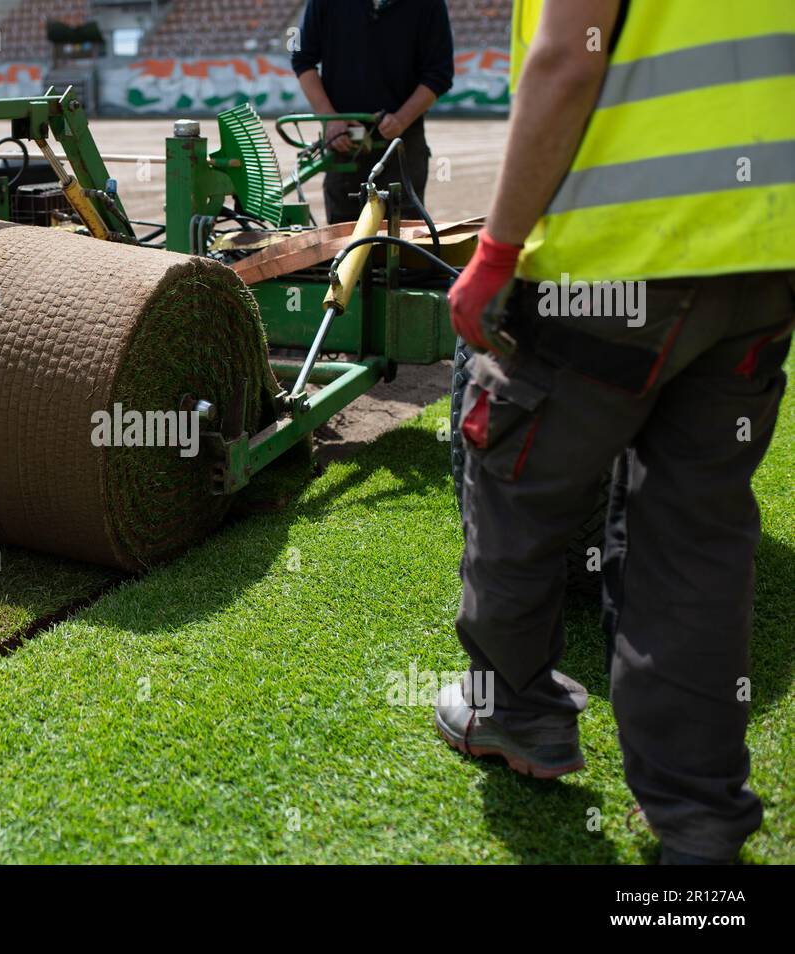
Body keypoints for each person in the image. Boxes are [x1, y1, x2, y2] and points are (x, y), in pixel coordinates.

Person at [440, 0, 794, 864]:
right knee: (698, 533)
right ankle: (700, 818)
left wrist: (495, 253)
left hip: (616, 263)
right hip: (760, 261)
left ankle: (514, 709)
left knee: (516, 481)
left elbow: (566, 58)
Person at [291, 0, 454, 223]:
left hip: (403, 146)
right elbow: (302, 59)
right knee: (344, 241)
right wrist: (331, 119)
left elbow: (439, 74)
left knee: (404, 238)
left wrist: (401, 119)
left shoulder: (429, 5)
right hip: (344, 144)